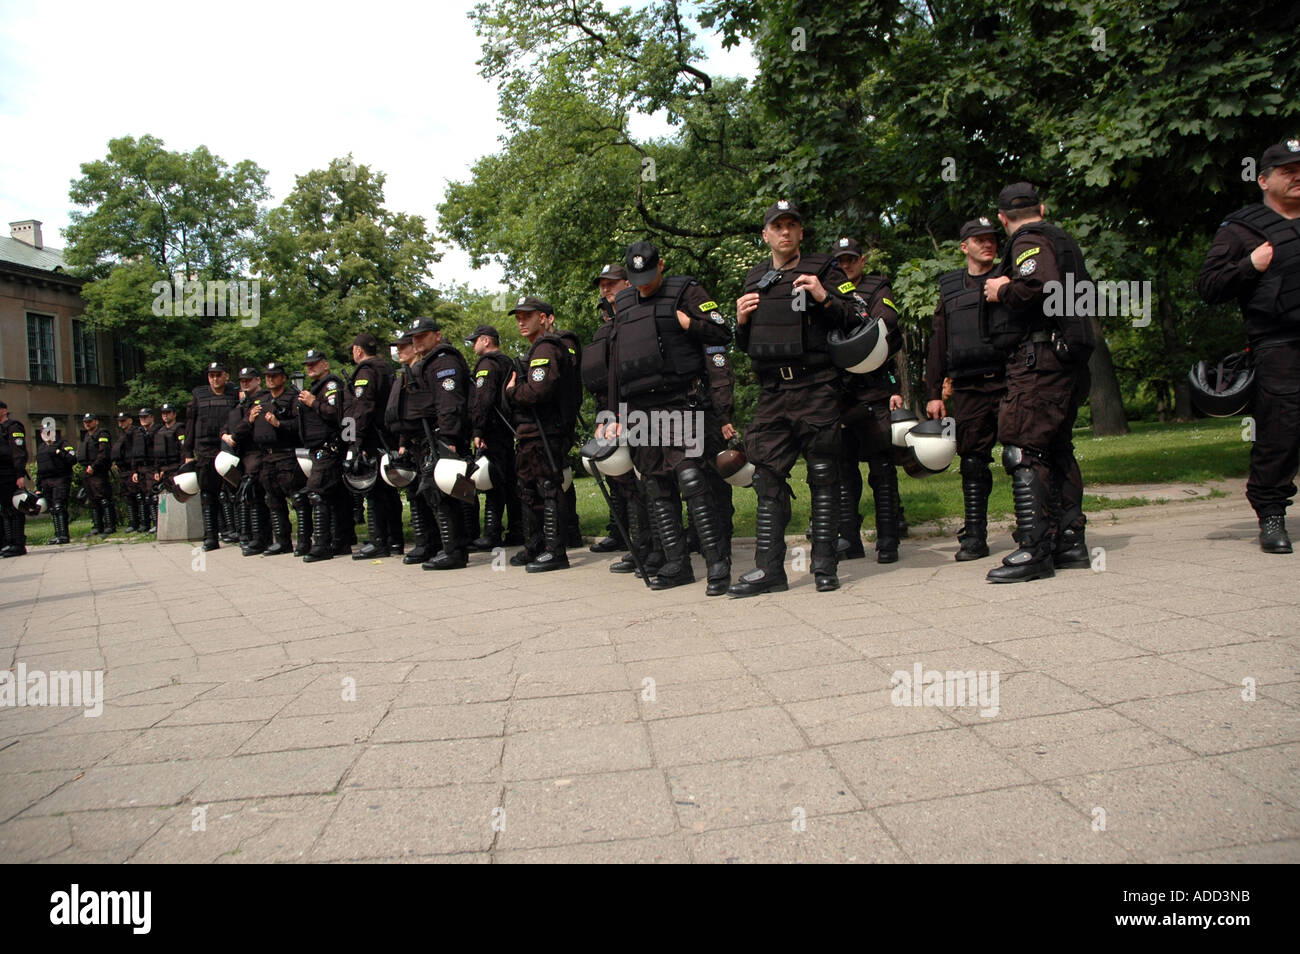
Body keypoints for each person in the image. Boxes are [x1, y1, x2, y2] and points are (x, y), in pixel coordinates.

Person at [730, 200, 859, 595]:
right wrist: (739, 321)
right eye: (777, 226)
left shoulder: (825, 269)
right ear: (765, 235)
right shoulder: (755, 279)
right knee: (766, 477)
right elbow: (744, 344)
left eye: (792, 225)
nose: (785, 232)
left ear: (801, 232)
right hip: (772, 391)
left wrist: (824, 297)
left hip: (816, 386)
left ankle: (824, 566)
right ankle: (769, 571)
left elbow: (857, 318)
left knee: (823, 475)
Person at [605, 241, 733, 594]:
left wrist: (690, 324)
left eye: (648, 275)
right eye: (636, 278)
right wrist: (614, 413)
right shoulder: (625, 302)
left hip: (681, 400)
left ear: (661, 264)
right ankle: (677, 564)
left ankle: (718, 562)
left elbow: (722, 334)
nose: (643, 284)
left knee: (691, 477)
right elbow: (615, 363)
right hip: (641, 408)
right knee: (656, 484)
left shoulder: (686, 291)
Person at [983, 182, 1092, 582]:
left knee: (1023, 448)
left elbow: (1040, 284)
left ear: (1001, 218)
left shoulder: (1029, 240)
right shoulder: (1064, 241)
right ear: (1042, 207)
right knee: (1057, 448)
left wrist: (1003, 288)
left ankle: (1034, 548)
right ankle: (1069, 541)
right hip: (1065, 360)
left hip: (1040, 362)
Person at [1197, 139, 1300, 553]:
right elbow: (1208, 287)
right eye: (1287, 170)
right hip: (1278, 342)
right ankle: (1272, 513)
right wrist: (1249, 265)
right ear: (1263, 180)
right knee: (1281, 430)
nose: (1297, 176)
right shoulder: (1242, 228)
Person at [926, 218, 1008, 560]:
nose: (987, 244)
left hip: (1010, 380)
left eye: (991, 239)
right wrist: (933, 392)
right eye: (979, 240)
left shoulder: (1010, 277)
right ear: (965, 247)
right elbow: (939, 341)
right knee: (973, 461)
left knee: (1023, 456)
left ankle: (1033, 529)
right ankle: (975, 535)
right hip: (969, 387)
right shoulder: (950, 286)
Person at [830, 235, 907, 564]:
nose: (846, 265)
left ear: (862, 261)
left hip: (876, 389)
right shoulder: (824, 291)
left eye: (851, 259)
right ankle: (849, 538)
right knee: (844, 470)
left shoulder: (877, 288)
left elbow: (884, 325)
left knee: (882, 468)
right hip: (842, 393)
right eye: (840, 261)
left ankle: (888, 538)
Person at [505, 296, 578, 572]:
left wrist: (512, 391)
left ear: (545, 317)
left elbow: (538, 391)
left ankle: (554, 550)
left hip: (545, 432)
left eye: (528, 315)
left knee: (548, 487)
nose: (521, 321)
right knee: (527, 490)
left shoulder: (547, 347)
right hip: (530, 433)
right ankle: (535, 545)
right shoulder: (534, 350)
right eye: (518, 317)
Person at [402, 317, 473, 570]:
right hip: (428, 438)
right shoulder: (427, 363)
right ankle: (447, 548)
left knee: (442, 491)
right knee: (437, 493)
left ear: (437, 335)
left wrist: (449, 439)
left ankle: (454, 551)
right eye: (414, 337)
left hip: (441, 438)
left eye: (423, 335)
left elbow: (449, 403)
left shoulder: (444, 362)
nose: (417, 340)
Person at [585, 263, 638, 557]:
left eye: (612, 283)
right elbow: (603, 379)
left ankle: (650, 546)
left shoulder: (636, 320)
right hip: (612, 413)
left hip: (638, 411)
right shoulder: (608, 330)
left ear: (628, 284)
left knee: (642, 481)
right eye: (602, 285)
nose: (606, 289)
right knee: (618, 477)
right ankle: (627, 539)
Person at [345, 332, 403, 559]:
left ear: (358, 351)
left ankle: (379, 541)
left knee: (375, 491)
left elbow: (362, 408)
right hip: (388, 436)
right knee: (389, 490)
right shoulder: (386, 368)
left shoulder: (366, 371)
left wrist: (354, 441)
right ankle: (395, 540)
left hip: (373, 437)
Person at [386, 330, 441, 564]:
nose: (400, 351)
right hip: (411, 442)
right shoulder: (405, 374)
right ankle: (424, 542)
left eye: (403, 346)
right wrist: (402, 443)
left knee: (432, 494)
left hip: (428, 439)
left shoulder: (424, 371)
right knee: (415, 494)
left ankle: (437, 544)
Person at [295, 349, 352, 561]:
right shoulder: (316, 387)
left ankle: (322, 545)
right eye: (308, 364)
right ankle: (341, 541)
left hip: (330, 448)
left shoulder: (331, 385)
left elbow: (337, 414)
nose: (310, 367)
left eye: (315, 364)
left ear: (325, 365)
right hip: (319, 448)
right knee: (335, 496)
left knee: (317, 492)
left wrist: (313, 403)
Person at [467, 324, 518, 553]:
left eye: (475, 340)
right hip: (508, 429)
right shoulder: (507, 361)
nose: (473, 345)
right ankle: (517, 528)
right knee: (510, 481)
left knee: (492, 482)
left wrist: (478, 430)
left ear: (486, 340)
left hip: (493, 431)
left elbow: (483, 399)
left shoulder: (487, 365)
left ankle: (491, 533)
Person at [249, 362, 302, 556]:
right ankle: (282, 541)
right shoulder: (261, 401)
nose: (270, 379)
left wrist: (280, 423)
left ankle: (304, 541)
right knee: (273, 500)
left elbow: (300, 425)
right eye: (267, 376)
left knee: (297, 498)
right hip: (267, 456)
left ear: (283, 378)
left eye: (275, 375)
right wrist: (250, 421)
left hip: (286, 454)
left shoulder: (292, 398)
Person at [185, 361, 239, 550]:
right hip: (205, 450)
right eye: (211, 375)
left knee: (236, 491)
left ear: (226, 376)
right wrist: (187, 453)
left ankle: (240, 531)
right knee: (208, 495)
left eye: (218, 374)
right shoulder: (199, 396)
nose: (215, 378)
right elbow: (190, 426)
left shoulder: (235, 394)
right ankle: (210, 536)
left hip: (229, 449)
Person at [224, 369, 271, 556]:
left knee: (254, 494)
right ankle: (250, 536)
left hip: (258, 452)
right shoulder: (242, 404)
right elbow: (235, 427)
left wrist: (237, 433)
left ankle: (260, 539)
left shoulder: (264, 399)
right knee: (246, 497)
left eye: (248, 380)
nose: (245, 383)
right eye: (242, 380)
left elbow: (248, 425)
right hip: (243, 454)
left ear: (257, 380)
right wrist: (226, 434)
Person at [36, 427, 77, 545]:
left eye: (49, 432)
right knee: (53, 509)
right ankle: (57, 534)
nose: (47, 435)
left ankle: (64, 535)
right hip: (46, 481)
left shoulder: (63, 444)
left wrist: (58, 452)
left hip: (60, 479)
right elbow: (40, 469)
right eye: (44, 433)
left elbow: (72, 459)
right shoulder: (41, 448)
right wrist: (38, 487)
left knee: (59, 506)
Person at [0, 401, 30, 556]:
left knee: (15, 509)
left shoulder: (13, 427)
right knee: (4, 510)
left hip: (10, 474)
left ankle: (18, 544)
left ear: (4, 410)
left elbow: (18, 452)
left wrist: (19, 474)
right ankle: (7, 543)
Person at [77, 411, 114, 535]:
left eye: (90, 421)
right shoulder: (87, 436)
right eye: (85, 422)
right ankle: (97, 526)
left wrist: (94, 466)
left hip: (99, 472)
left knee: (104, 499)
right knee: (93, 501)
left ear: (96, 422)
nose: (87, 424)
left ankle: (110, 526)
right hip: (88, 473)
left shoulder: (102, 434)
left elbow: (103, 453)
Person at [152, 403, 187, 498]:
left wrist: (182, 468)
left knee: (179, 497)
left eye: (168, 412)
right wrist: (157, 470)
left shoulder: (179, 429)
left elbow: (184, 451)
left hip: (176, 469)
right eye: (163, 413)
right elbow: (157, 453)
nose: (165, 415)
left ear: (174, 414)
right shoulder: (160, 431)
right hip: (164, 472)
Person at [112, 411, 136, 531]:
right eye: (119, 421)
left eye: (123, 420)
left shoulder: (135, 433)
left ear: (130, 420)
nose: (121, 423)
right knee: (128, 497)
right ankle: (132, 522)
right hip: (123, 470)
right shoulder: (122, 435)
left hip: (132, 469)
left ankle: (143, 523)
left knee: (138, 496)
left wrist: (136, 469)